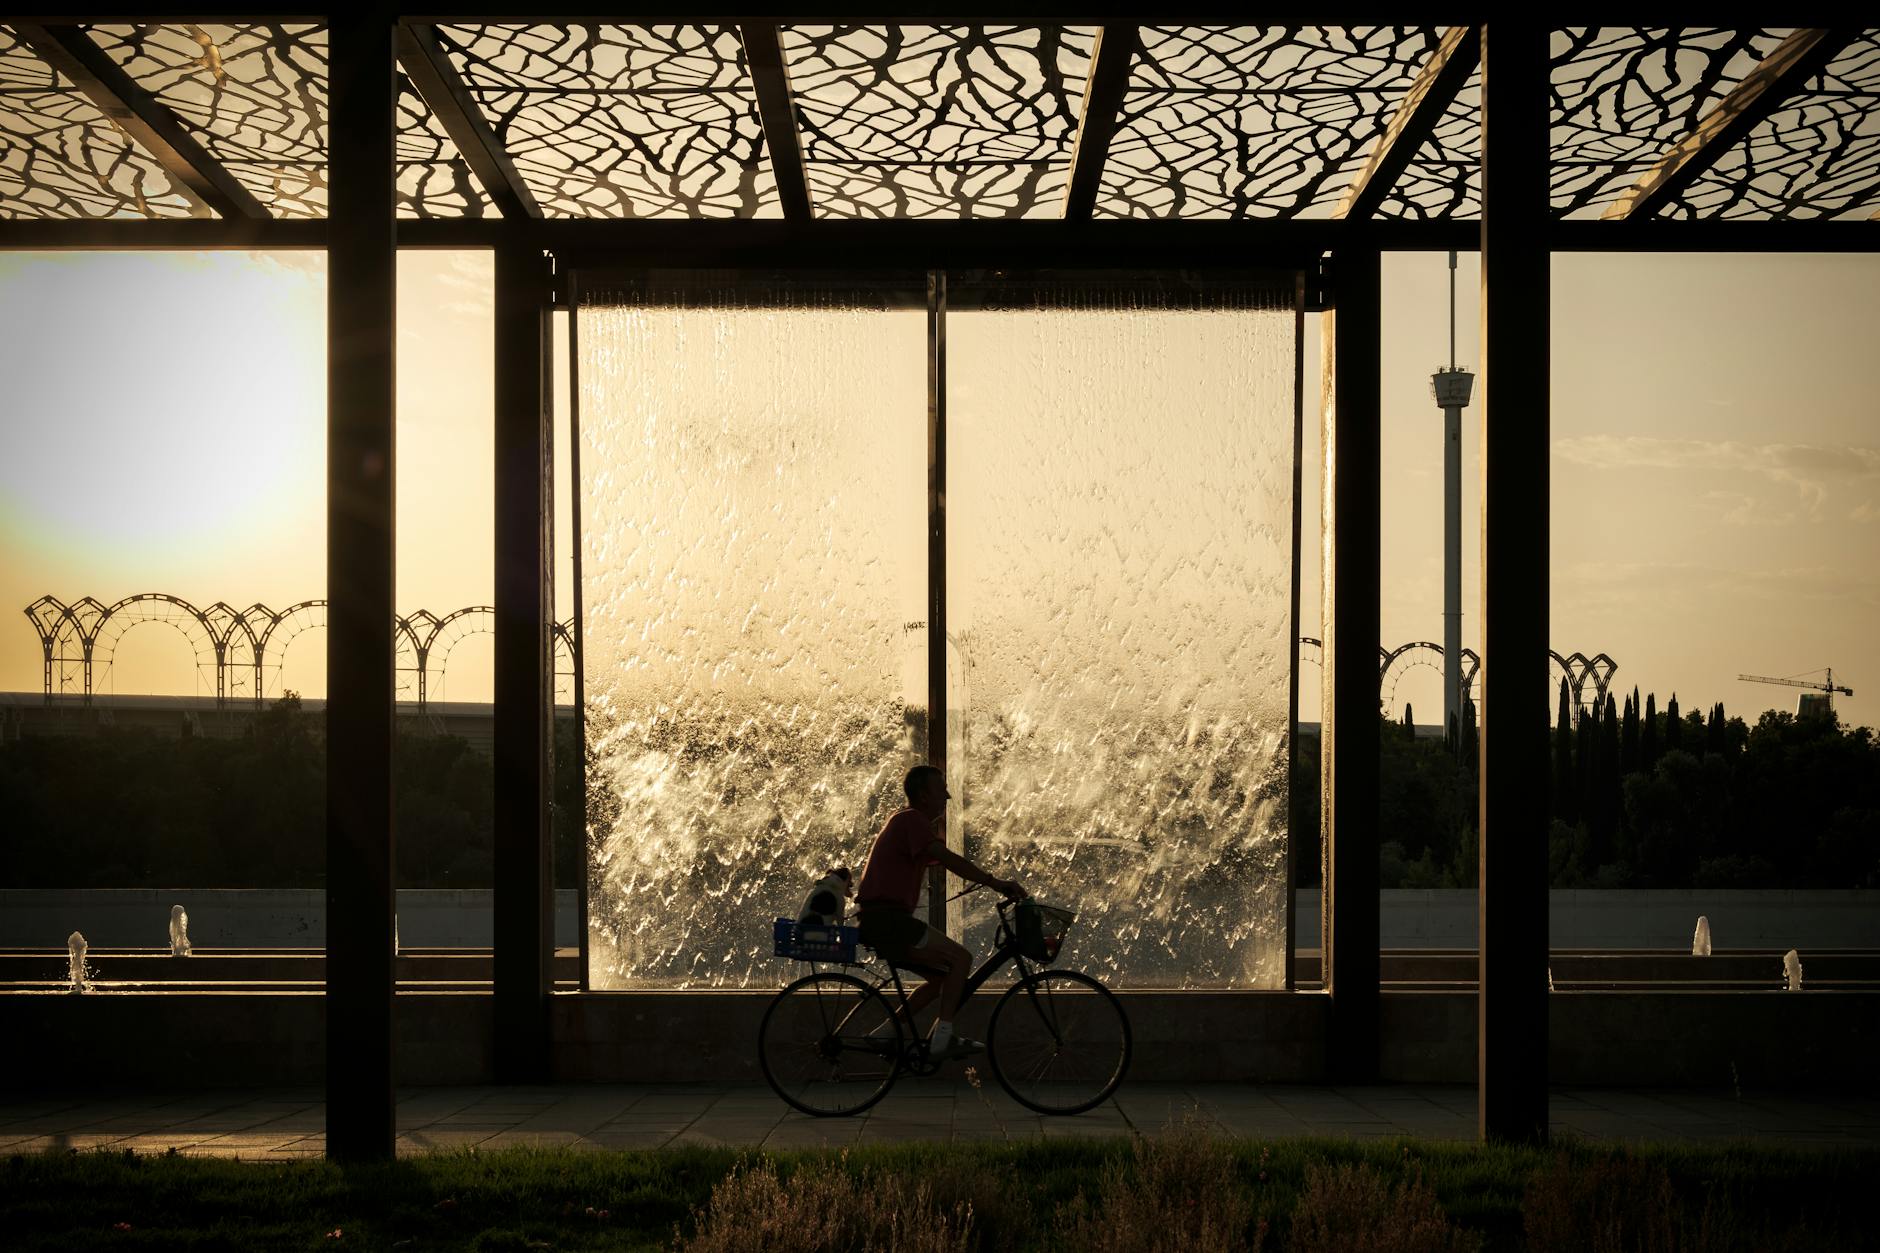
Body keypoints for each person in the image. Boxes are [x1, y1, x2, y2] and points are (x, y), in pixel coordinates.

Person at [855, 763, 1023, 1060]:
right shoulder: (911, 820)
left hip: (882, 921)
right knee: (962, 958)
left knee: (943, 977)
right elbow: (947, 859)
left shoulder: (907, 823)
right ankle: (943, 1038)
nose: (947, 796)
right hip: (889, 921)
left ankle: (884, 1033)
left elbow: (943, 860)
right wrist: (994, 882)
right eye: (941, 790)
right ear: (922, 796)